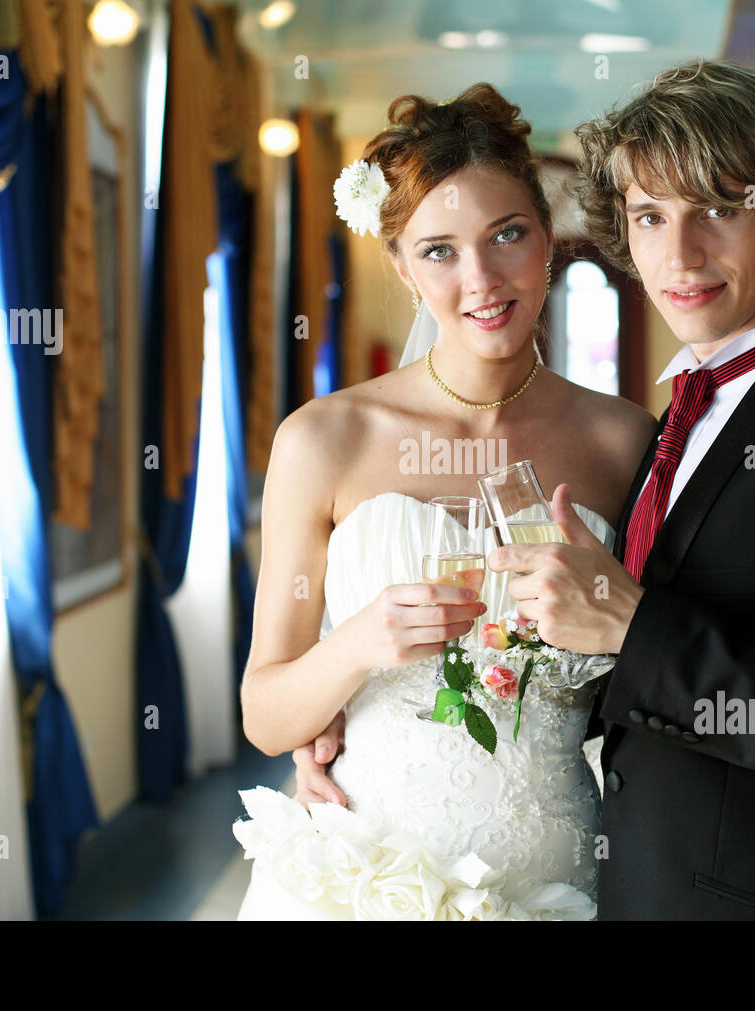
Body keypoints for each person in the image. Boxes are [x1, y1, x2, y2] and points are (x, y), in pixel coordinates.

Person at [293, 61, 755, 921]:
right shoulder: (673, 426)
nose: (679, 255)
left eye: (720, 209)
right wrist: (360, 734)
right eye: (651, 216)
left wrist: (636, 624)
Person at [234, 83, 656, 919]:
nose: (482, 279)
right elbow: (265, 711)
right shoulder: (325, 439)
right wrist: (355, 646)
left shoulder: (626, 442)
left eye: (508, 235)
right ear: (399, 264)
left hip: (558, 877)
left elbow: (667, 681)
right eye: (438, 250)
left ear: (547, 237)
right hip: (360, 875)